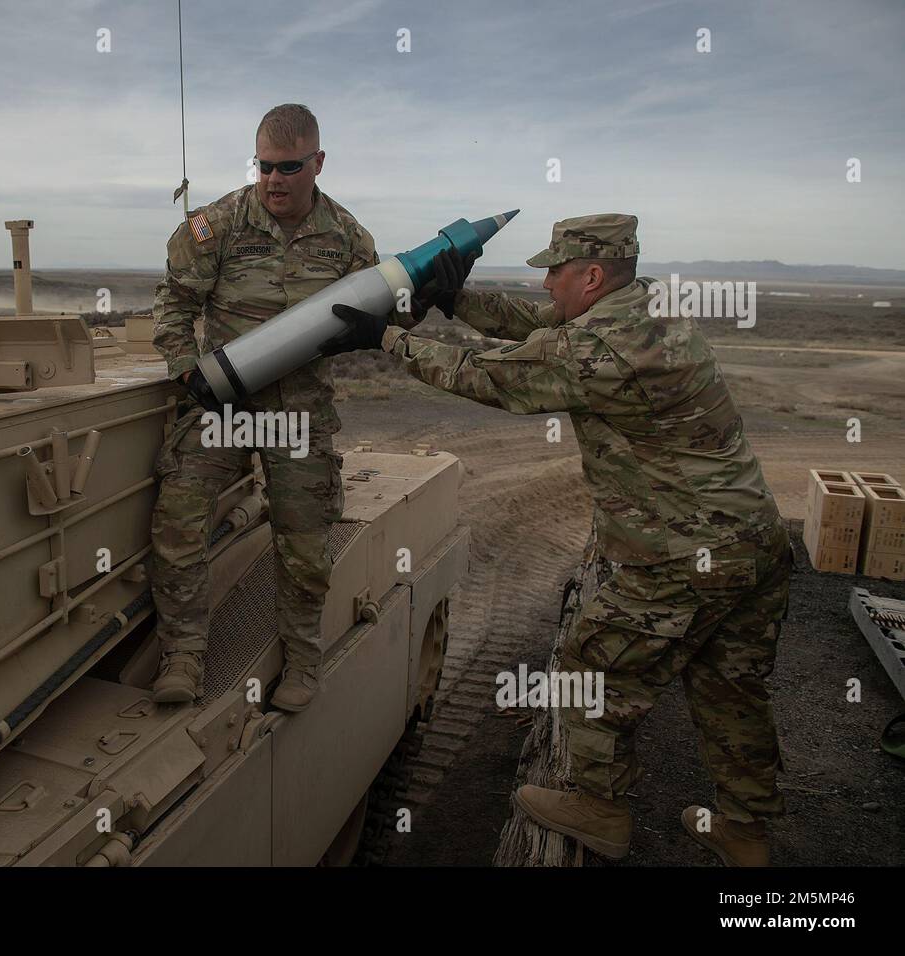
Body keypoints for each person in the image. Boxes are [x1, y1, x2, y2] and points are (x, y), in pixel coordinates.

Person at [329, 214, 791, 866]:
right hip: (753, 545)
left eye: (556, 270)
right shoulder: (648, 307)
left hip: (683, 557)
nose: (544, 281)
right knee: (730, 689)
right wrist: (456, 301)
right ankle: (745, 833)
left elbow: (496, 375)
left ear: (593, 276)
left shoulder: (601, 350)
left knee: (588, 673)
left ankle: (598, 808)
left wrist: (387, 339)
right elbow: (543, 332)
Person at [149, 103, 378, 712]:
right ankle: (183, 655)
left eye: (289, 167)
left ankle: (302, 661)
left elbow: (380, 312)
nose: (274, 180)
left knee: (303, 543)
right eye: (265, 166)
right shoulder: (218, 224)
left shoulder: (349, 239)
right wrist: (184, 369)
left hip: (300, 412)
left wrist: (382, 322)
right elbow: (172, 302)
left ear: (317, 163)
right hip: (223, 405)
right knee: (178, 521)